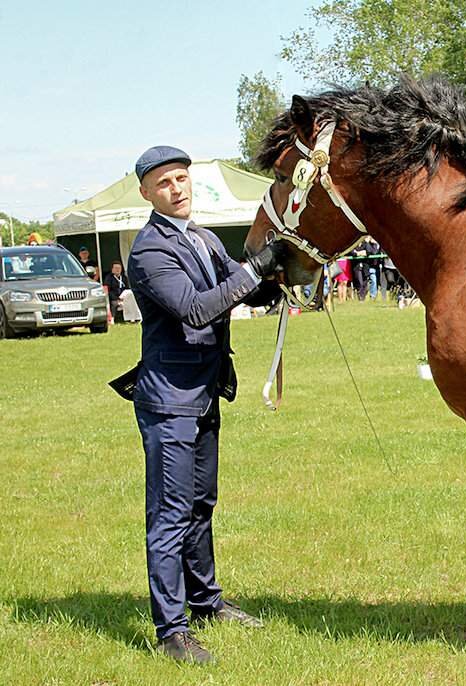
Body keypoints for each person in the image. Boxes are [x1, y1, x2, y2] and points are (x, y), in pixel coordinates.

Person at [122, 145, 282, 664]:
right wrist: (255, 270)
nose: (178, 188)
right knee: (170, 514)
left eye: (184, 178)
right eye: (166, 182)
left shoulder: (205, 239)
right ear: (146, 192)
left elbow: (237, 289)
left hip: (204, 392)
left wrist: (281, 276)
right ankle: (172, 631)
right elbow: (195, 310)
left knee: (200, 505)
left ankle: (206, 603)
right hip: (169, 400)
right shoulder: (149, 250)